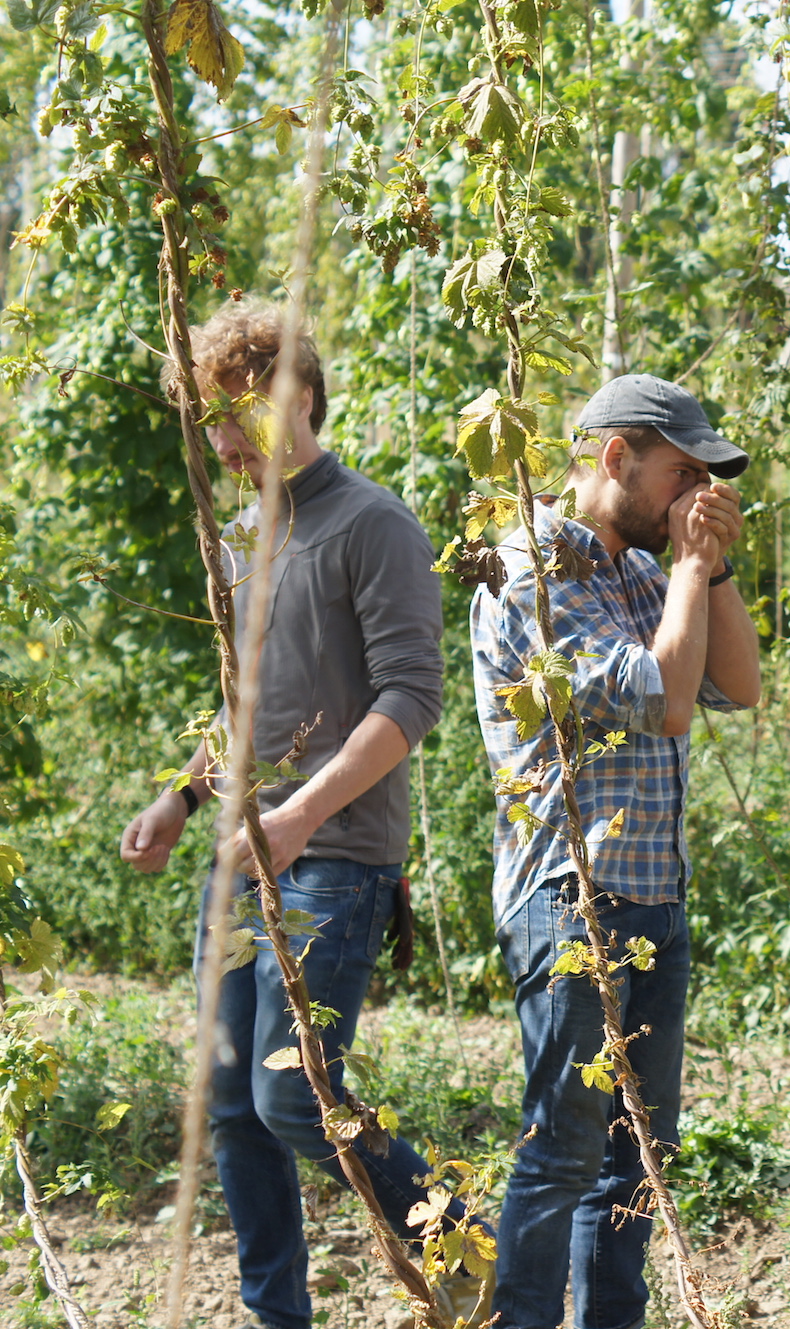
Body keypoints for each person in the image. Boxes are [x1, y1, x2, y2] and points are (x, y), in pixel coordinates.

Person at [118, 302, 449, 1329]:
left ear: (297, 397)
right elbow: (246, 704)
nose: (220, 442)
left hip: (334, 857)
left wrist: (300, 814)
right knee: (230, 1109)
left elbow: (411, 698)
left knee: (292, 1097)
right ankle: (277, 1316)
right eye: (210, 422)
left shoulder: (373, 524)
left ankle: (458, 1237)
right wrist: (183, 793)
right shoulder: (247, 539)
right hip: (241, 857)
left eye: (237, 415)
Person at [471, 373, 761, 1329]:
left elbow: (737, 683)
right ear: (614, 458)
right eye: (684, 474)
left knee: (637, 1158)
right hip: (572, 896)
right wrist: (686, 567)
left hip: (654, 899)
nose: (696, 496)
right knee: (562, 1149)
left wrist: (707, 566)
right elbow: (665, 701)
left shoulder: (647, 569)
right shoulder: (529, 575)